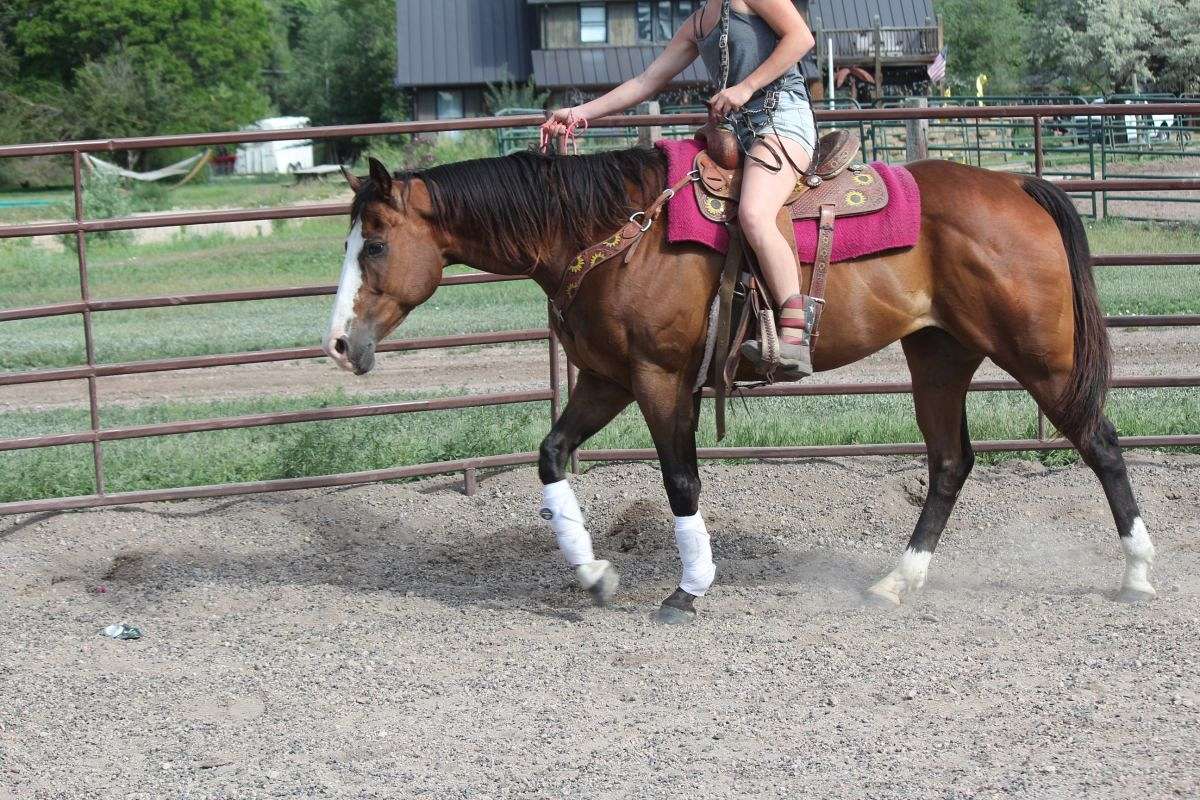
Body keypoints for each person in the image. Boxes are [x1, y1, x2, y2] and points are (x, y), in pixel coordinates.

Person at [541, 0, 818, 377]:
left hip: (782, 116)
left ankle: (795, 333)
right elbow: (646, 81)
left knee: (754, 215)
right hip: (736, 132)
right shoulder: (697, 23)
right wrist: (579, 113)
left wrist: (744, 87)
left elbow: (801, 38)